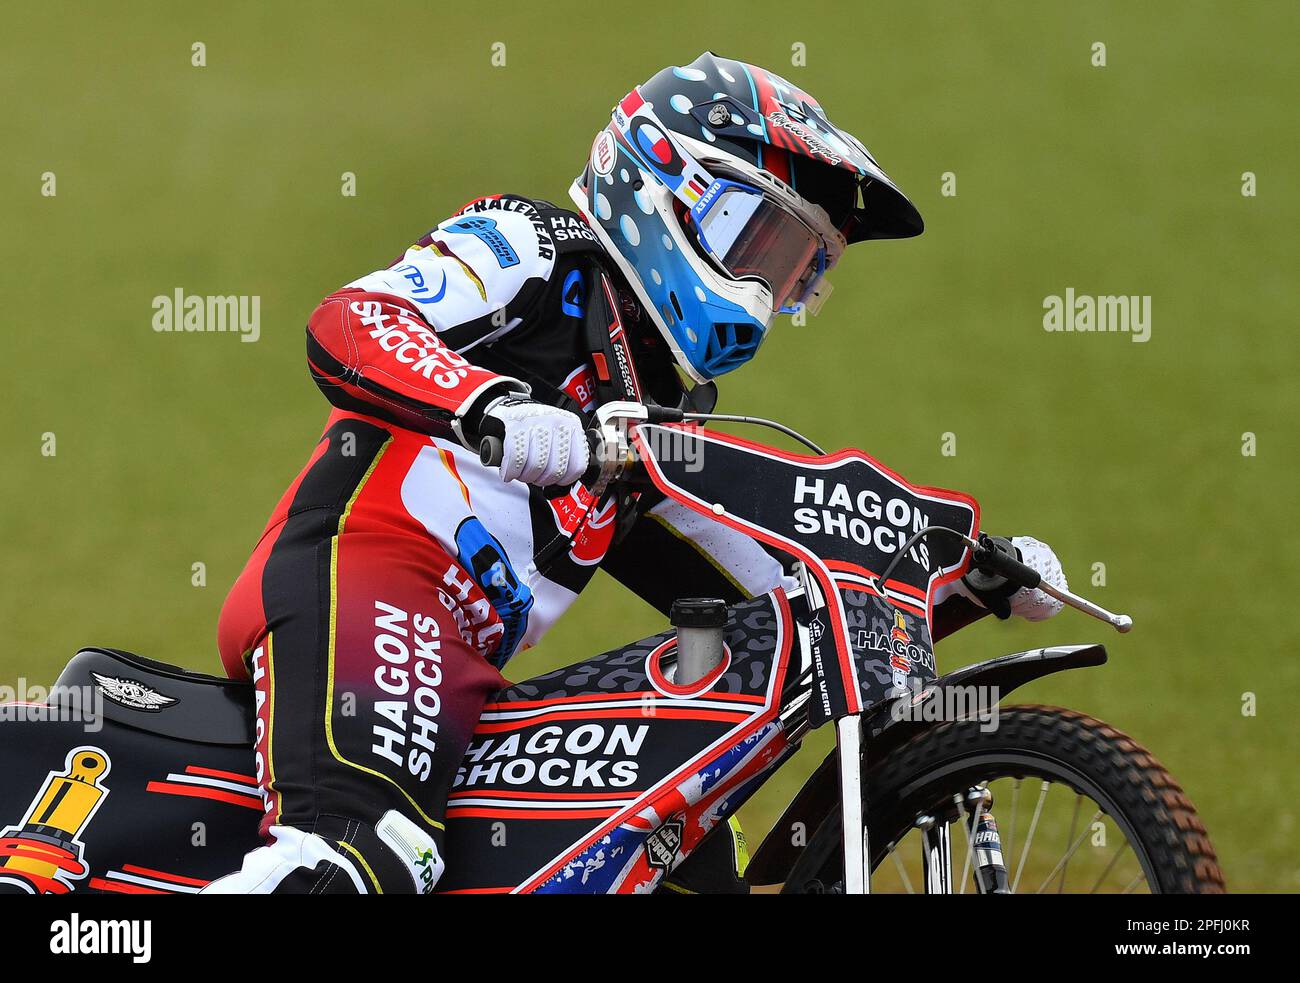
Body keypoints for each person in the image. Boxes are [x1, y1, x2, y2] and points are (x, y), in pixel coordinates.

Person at [207, 52, 1067, 894]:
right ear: (663, 183)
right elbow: (352, 319)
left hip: (461, 662)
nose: (768, 291)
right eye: (758, 240)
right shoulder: (535, 246)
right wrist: (491, 407)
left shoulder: (660, 413)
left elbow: (788, 568)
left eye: (799, 270)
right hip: (359, 579)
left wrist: (956, 569)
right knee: (369, 853)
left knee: (665, 843)